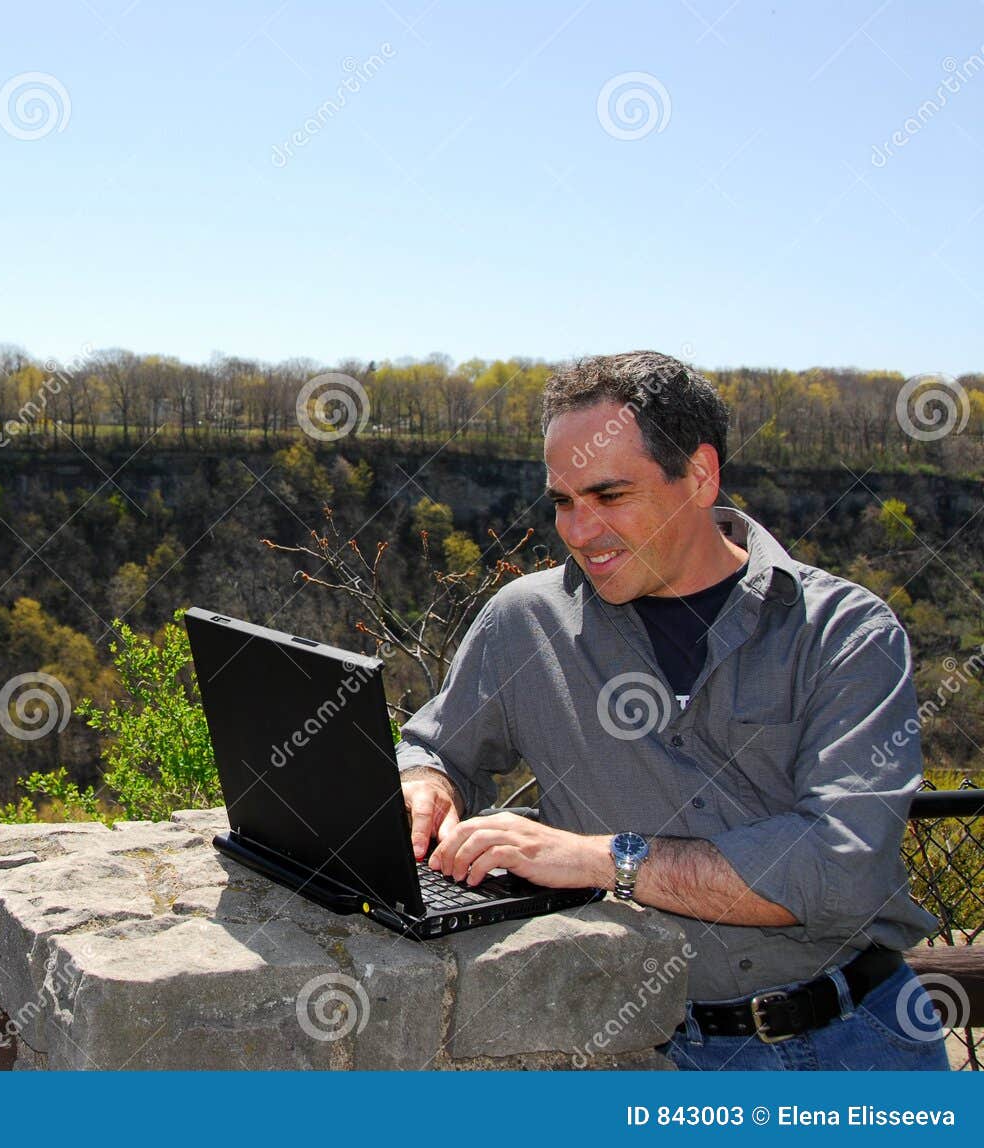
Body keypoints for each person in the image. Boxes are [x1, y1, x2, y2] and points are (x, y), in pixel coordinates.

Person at [395, 351, 949, 1070]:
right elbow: (436, 747)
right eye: (562, 500)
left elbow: (841, 870)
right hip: (637, 1046)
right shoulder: (523, 622)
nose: (579, 530)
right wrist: (426, 784)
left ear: (700, 474)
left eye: (609, 494)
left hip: (851, 1043)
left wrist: (597, 859)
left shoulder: (845, 633)